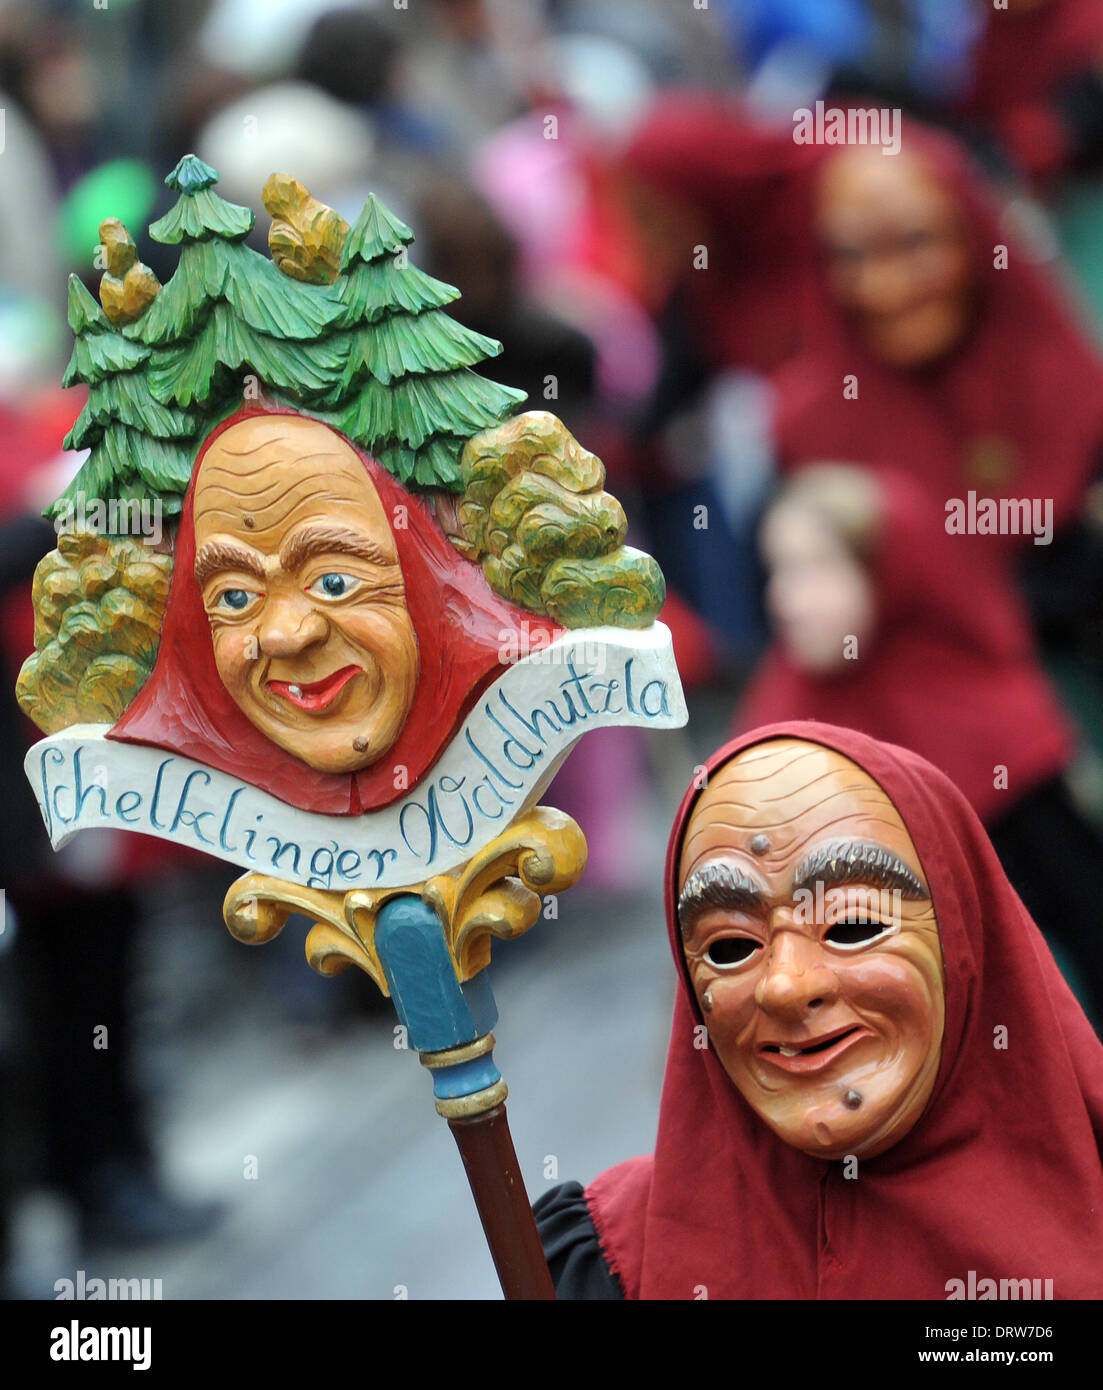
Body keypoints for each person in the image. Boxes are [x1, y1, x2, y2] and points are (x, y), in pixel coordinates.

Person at [534, 721, 1103, 1299]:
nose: (783, 986)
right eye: (731, 946)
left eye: (852, 924)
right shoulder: (611, 1263)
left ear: (963, 940)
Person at [736, 464, 1103, 1026]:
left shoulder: (989, 723)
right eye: (779, 570)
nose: (786, 598)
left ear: (886, 570)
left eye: (816, 569)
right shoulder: (781, 717)